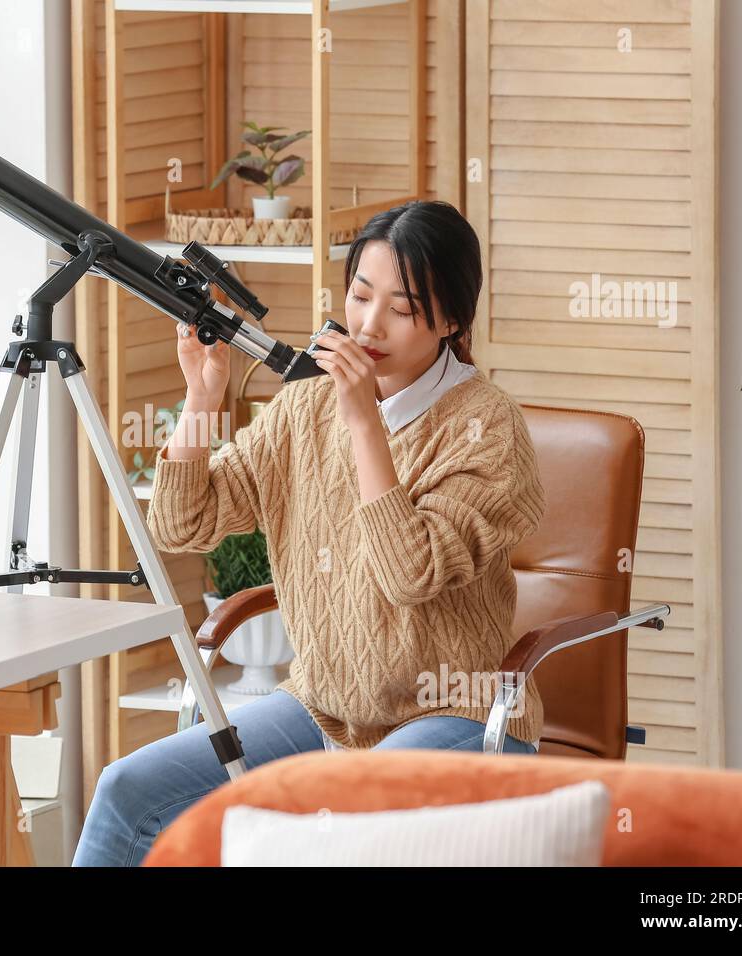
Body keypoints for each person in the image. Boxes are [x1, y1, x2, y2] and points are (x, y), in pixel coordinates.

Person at [72, 200, 546, 867]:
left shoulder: (488, 428)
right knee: (128, 790)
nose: (370, 324)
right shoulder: (304, 405)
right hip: (319, 713)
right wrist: (203, 401)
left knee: (337, 829)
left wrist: (362, 427)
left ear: (451, 320)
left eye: (403, 309)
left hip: (457, 716)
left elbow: (408, 575)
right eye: (359, 295)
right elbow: (183, 524)